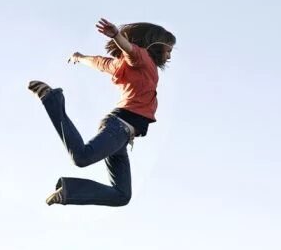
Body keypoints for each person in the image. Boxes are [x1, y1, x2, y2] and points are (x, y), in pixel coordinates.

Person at [28, 17, 176, 207]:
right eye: (169, 51)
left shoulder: (123, 66)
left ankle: (69, 191)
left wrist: (79, 57)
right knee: (81, 157)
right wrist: (116, 36)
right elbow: (131, 50)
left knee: (122, 195)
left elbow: (100, 62)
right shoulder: (144, 60)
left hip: (121, 136)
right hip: (119, 128)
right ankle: (51, 99)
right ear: (156, 45)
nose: (169, 56)